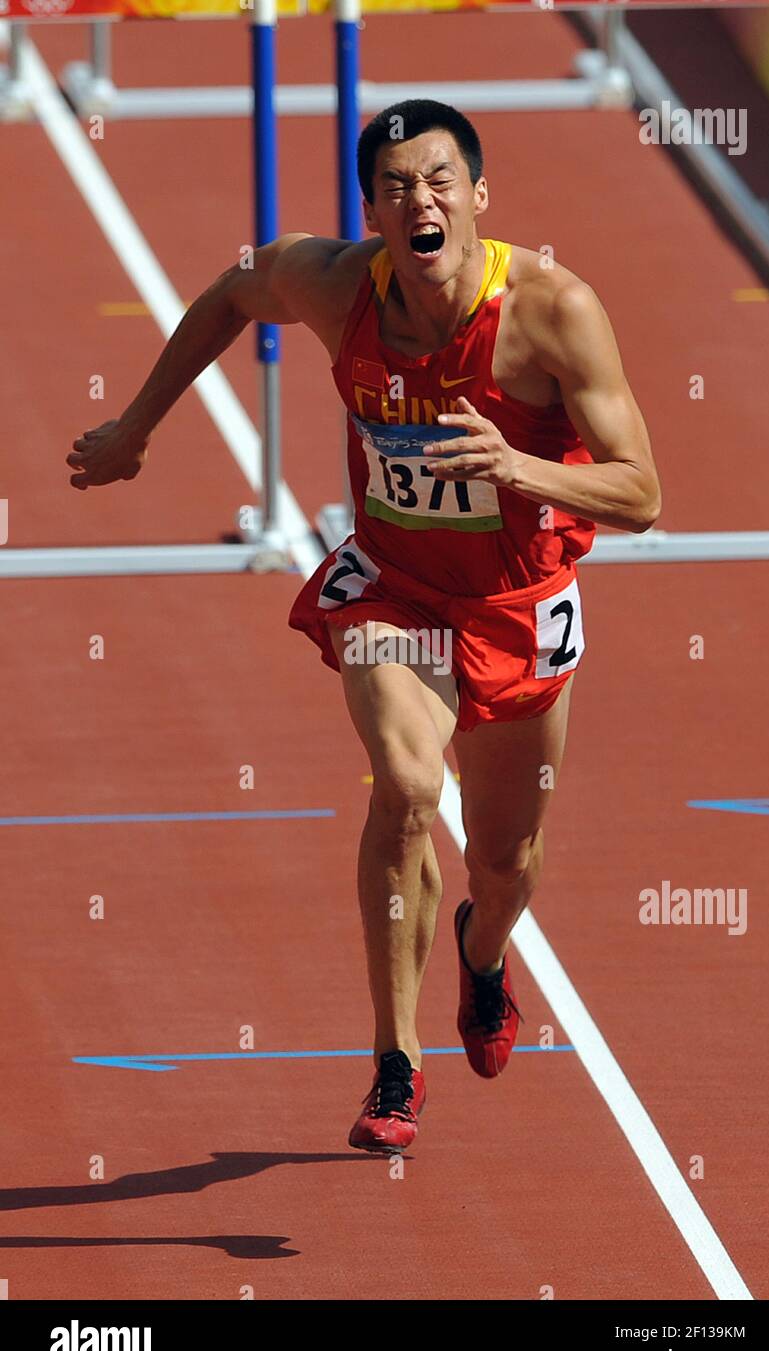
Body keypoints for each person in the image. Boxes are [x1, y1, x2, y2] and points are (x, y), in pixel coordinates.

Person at [67, 100, 661, 1157]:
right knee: (405, 779)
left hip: (517, 608)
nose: (418, 202)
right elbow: (232, 290)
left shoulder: (554, 311)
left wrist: (514, 467)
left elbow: (641, 491)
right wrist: (135, 426)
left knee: (507, 860)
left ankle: (483, 956)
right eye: (395, 187)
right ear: (373, 210)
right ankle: (396, 1058)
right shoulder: (337, 281)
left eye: (438, 181)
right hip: (392, 588)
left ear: (478, 195)